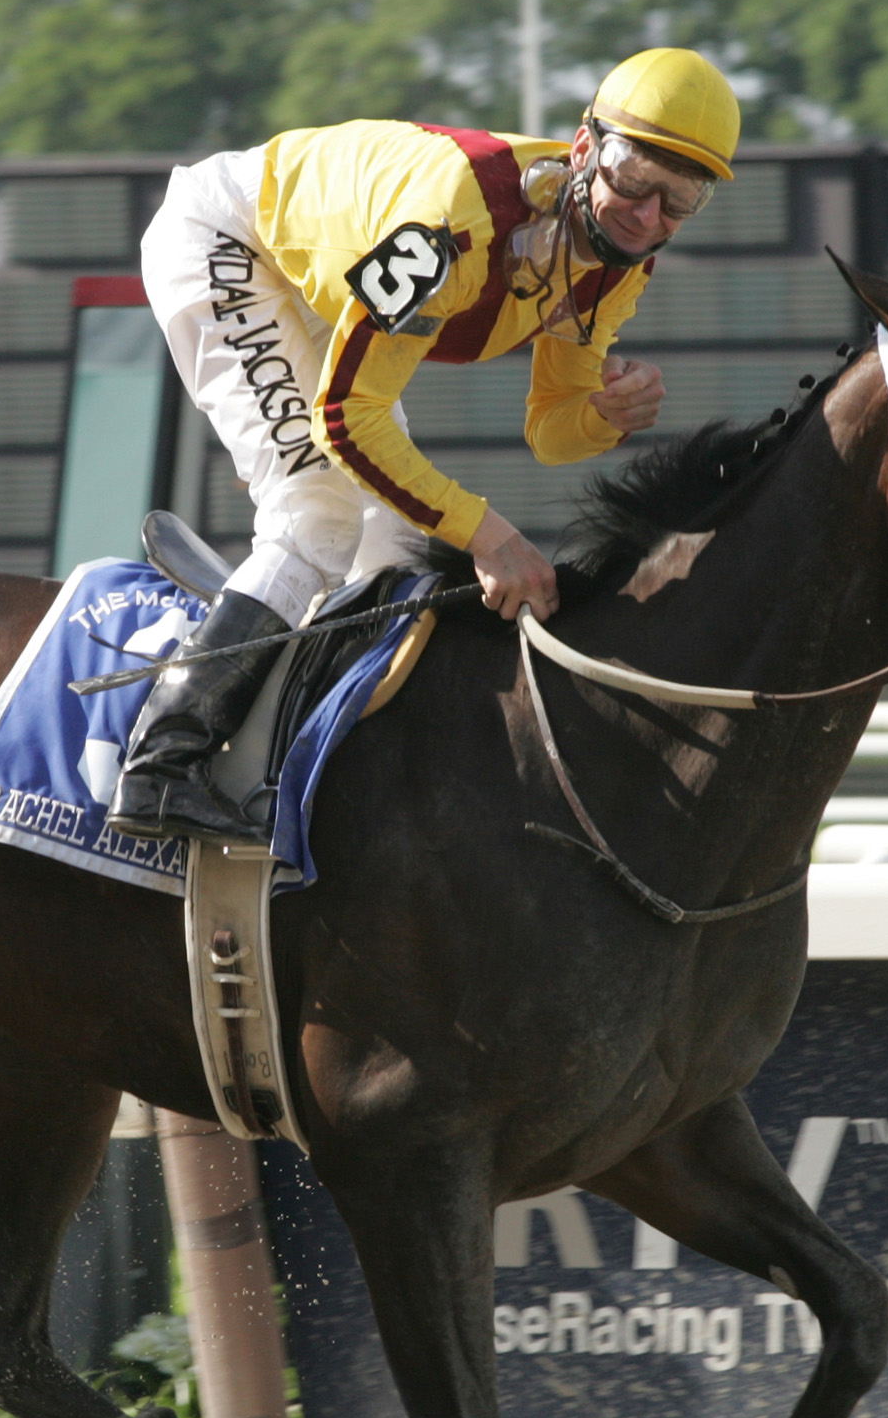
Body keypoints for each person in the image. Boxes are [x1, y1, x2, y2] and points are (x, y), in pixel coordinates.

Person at [107, 47, 742, 846]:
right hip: (226, 237)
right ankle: (165, 758)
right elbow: (345, 419)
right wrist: (490, 536)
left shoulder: (619, 266)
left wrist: (605, 417)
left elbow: (549, 429)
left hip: (312, 281)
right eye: (632, 179)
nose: (647, 217)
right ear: (583, 151)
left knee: (394, 549)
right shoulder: (451, 223)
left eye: (680, 200)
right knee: (319, 516)